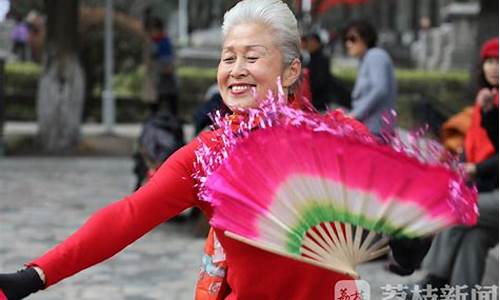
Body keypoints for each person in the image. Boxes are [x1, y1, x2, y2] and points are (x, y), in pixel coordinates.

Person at [0, 1, 424, 299]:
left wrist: (409, 233)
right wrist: (35, 275)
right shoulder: (210, 153)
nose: (236, 70)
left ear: (292, 69)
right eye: (228, 58)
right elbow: (128, 216)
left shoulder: (339, 137)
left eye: (252, 57)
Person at [414, 37, 498, 298]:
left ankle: (433, 281)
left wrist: (477, 169)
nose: (494, 67)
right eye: (490, 61)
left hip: (494, 194)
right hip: (488, 193)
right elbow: (473, 145)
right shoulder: (485, 101)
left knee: (456, 208)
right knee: (473, 242)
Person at [343, 20, 397, 136]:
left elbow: (380, 89)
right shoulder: (366, 59)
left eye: (352, 39)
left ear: (366, 38)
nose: (348, 44)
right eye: (346, 40)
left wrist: (354, 115)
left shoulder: (376, 55)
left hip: (375, 131)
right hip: (368, 130)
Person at [306, 32, 351, 110]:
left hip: (319, 102)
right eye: (309, 42)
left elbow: (321, 81)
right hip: (313, 101)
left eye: (312, 42)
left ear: (318, 43)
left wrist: (308, 90)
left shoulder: (321, 59)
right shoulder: (311, 59)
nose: (309, 45)